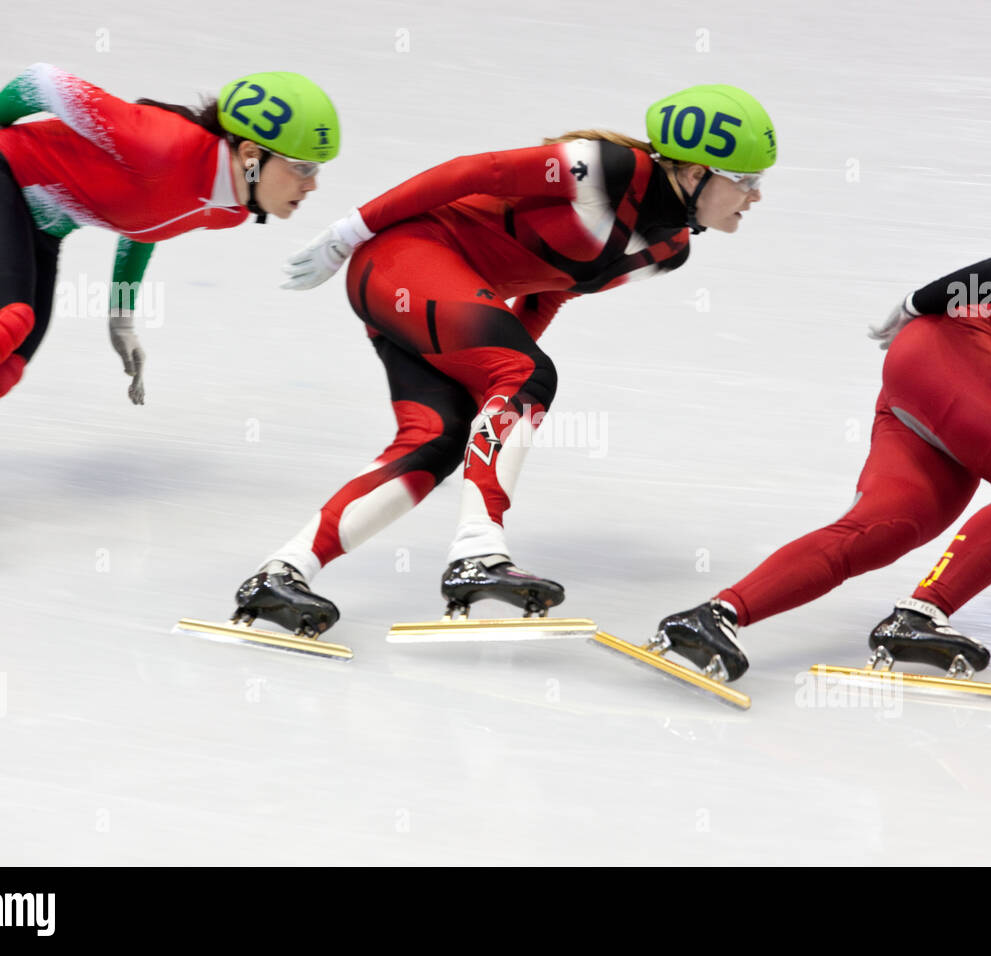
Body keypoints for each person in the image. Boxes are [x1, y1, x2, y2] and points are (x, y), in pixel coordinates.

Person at [229, 84, 777, 636]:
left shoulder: (668, 250)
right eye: (746, 181)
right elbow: (470, 173)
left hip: (435, 299)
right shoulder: (609, 167)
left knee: (439, 437)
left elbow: (554, 290)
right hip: (404, 259)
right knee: (528, 373)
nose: (754, 198)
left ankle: (282, 572)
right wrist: (348, 233)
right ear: (694, 173)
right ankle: (478, 552)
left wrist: (496, 384)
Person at [655, 250, 991, 682]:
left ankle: (715, 616)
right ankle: (916, 619)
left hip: (959, 385)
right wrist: (917, 304)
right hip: (954, 347)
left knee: (894, 524)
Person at [0, 64, 340, 521]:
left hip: (36, 225)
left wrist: (121, 318)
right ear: (251, 154)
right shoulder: (160, 141)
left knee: (11, 361)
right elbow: (40, 83)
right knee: (5, 315)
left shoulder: (228, 208)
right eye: (302, 167)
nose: (312, 184)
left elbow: (147, 224)